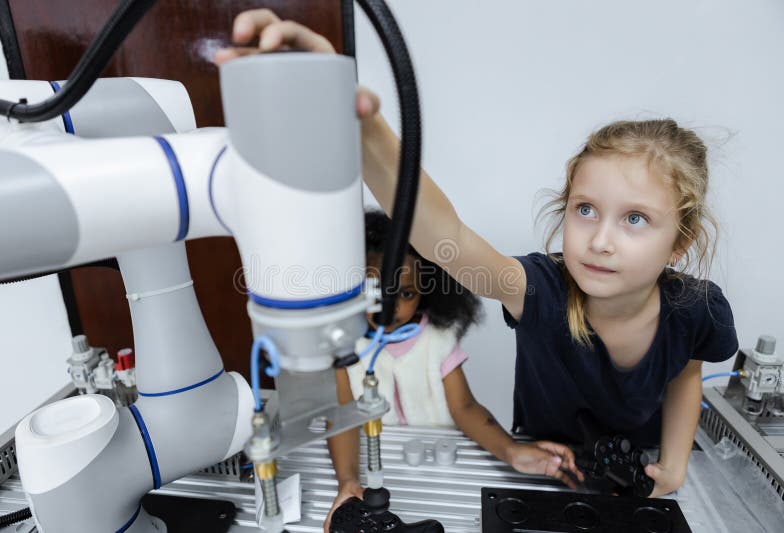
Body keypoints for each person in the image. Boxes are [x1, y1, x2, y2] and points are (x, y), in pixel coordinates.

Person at [215, 8, 739, 500]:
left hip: (637, 479)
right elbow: (447, 238)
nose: (600, 239)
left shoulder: (699, 308)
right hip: (543, 475)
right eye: (585, 210)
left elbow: (685, 375)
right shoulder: (538, 289)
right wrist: (359, 122)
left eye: (635, 219)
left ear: (682, 240)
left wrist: (671, 467)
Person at [322, 210, 581, 527]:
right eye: (376, 292)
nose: (391, 307)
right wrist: (347, 481)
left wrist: (512, 451)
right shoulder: (345, 347)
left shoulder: (437, 340)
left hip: (441, 469)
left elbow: (465, 407)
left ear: (426, 289)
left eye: (405, 293)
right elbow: (343, 416)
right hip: (375, 470)